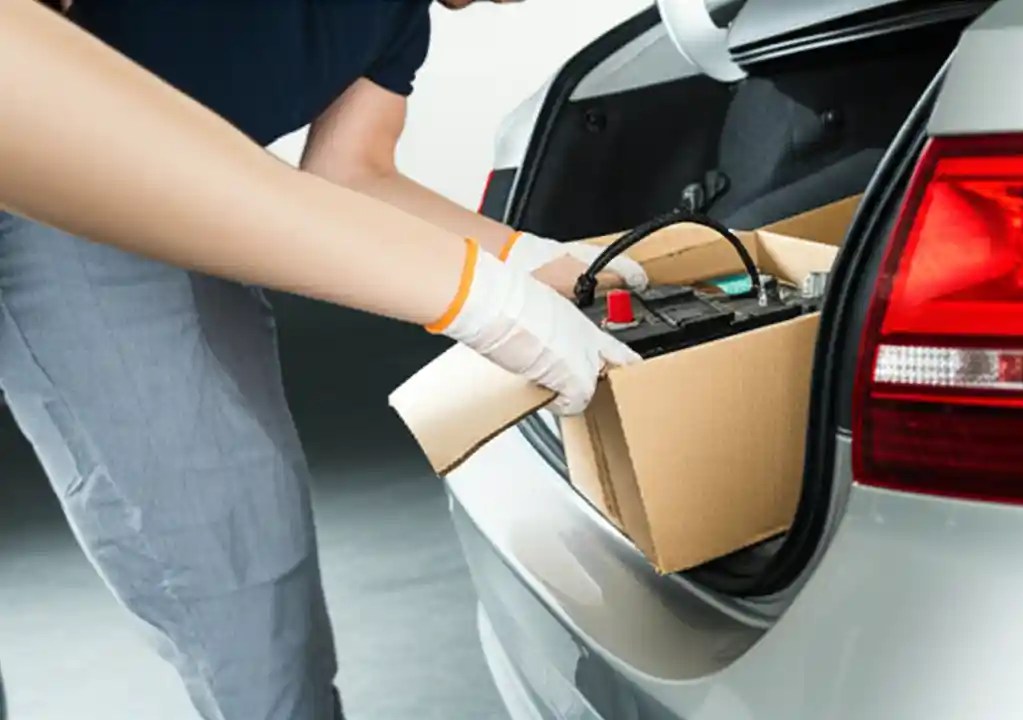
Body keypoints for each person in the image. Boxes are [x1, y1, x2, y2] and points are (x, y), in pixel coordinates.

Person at [0, 1, 646, 718]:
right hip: (56, 175)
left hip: (188, 194)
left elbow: (350, 173)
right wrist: (483, 302)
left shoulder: (398, 22)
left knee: (254, 526)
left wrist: (535, 264)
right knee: (220, 536)